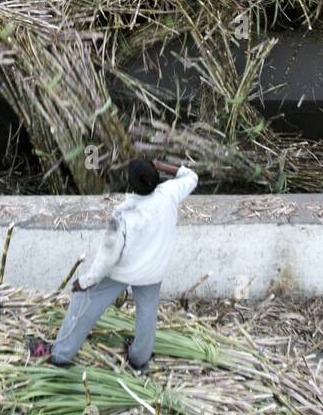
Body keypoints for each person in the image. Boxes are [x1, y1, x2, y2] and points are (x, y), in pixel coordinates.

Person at [28, 157, 198, 371]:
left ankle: (60, 355)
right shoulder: (169, 194)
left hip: (122, 272)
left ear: (130, 184)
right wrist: (163, 165)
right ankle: (139, 359)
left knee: (83, 303)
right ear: (156, 179)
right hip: (154, 271)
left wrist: (85, 281)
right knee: (147, 314)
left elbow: (107, 259)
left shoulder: (123, 215)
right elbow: (192, 176)